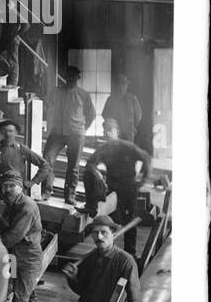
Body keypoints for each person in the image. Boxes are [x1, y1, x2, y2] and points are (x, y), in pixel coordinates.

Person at [83, 119, 151, 255]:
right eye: (105, 130)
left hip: (130, 188)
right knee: (113, 221)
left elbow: (146, 158)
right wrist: (97, 174)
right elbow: (90, 164)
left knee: (129, 219)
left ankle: (130, 253)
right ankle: (110, 251)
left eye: (110, 130)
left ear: (117, 132)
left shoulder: (127, 147)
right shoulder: (104, 149)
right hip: (113, 189)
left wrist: (142, 179)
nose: (107, 133)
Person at [43, 65, 97, 204]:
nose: (71, 79)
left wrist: (82, 129)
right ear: (65, 77)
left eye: (74, 76)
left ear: (78, 78)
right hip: (57, 133)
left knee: (73, 166)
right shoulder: (56, 92)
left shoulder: (83, 94)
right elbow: (46, 107)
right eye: (69, 76)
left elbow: (91, 114)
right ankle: (46, 191)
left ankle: (70, 196)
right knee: (47, 160)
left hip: (76, 134)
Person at [0, 170, 44, 302]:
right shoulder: (11, 204)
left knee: (20, 299)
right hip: (13, 258)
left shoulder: (26, 207)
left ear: (20, 187)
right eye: (5, 186)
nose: (8, 189)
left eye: (12, 186)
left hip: (27, 261)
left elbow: (13, 236)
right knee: (28, 297)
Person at [0, 119, 52, 194]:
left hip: (16, 191)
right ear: (1, 132)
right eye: (5, 131)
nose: (8, 134)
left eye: (10, 131)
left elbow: (45, 165)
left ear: (16, 132)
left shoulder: (22, 149)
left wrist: (32, 182)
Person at [101, 74, 143, 143]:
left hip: (128, 130)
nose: (121, 87)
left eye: (123, 85)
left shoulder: (132, 99)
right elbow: (105, 114)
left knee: (127, 147)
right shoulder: (111, 99)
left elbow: (138, 115)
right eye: (119, 85)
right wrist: (111, 124)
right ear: (116, 86)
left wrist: (133, 126)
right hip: (114, 130)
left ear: (127, 86)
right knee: (114, 147)